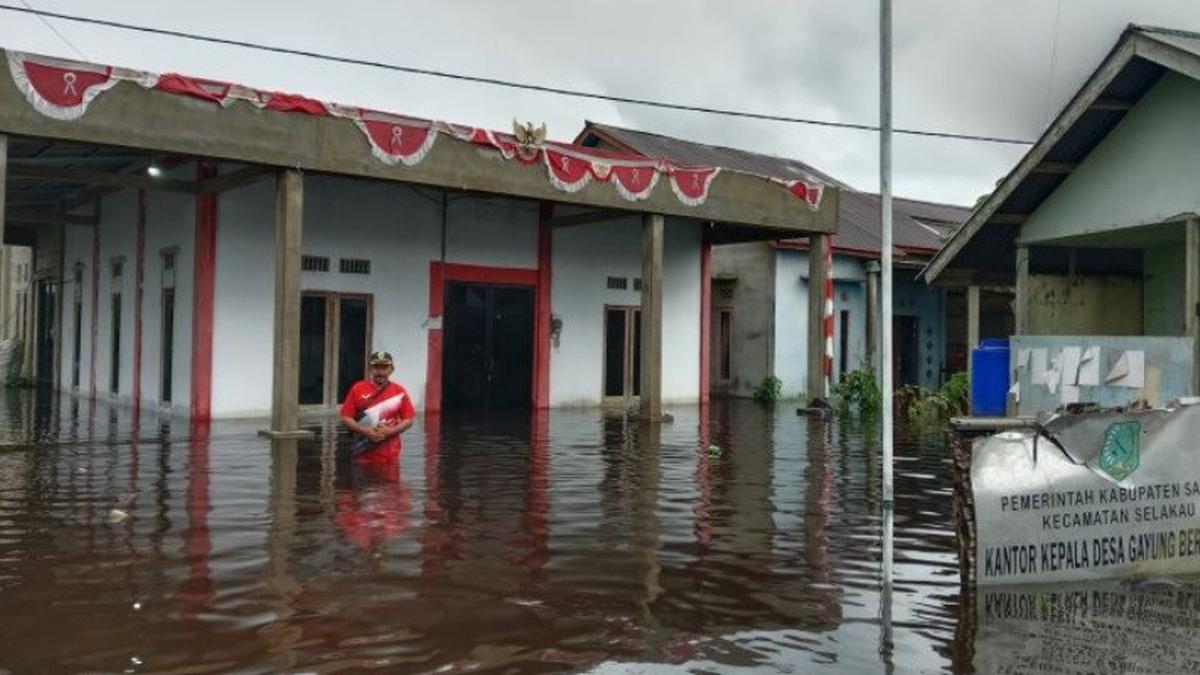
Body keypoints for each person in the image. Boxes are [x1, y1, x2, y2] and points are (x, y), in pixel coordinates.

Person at [340, 351, 416, 465]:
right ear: (371, 369)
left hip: (390, 454)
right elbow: (345, 417)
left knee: (390, 483)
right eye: (376, 367)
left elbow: (409, 419)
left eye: (384, 367)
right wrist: (365, 431)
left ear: (391, 369)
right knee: (363, 482)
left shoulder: (399, 391)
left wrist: (391, 431)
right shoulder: (358, 389)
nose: (380, 372)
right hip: (363, 454)